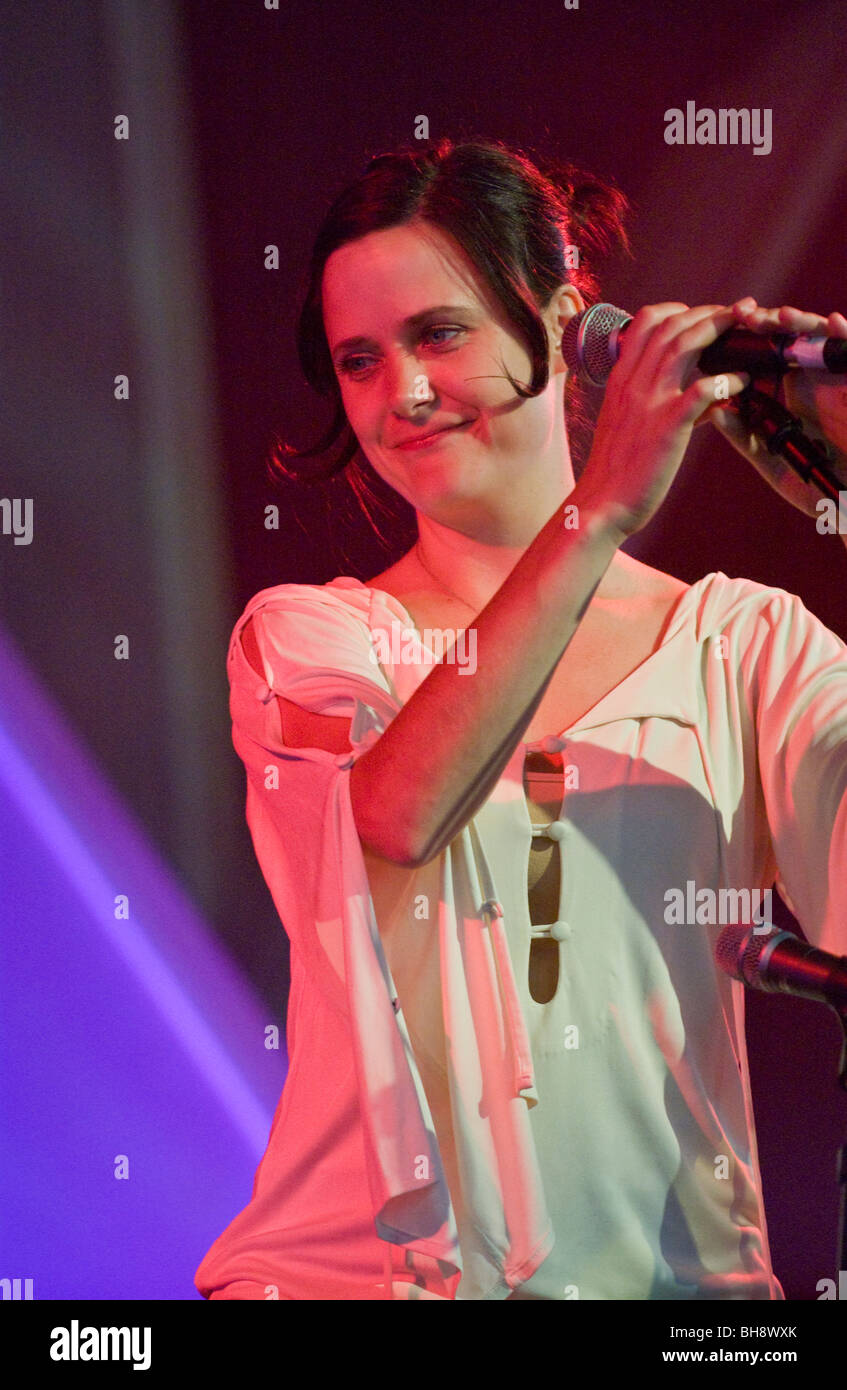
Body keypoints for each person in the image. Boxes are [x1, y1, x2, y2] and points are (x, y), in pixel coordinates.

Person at [195, 138, 847, 1301]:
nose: (399, 392)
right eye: (358, 359)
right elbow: (391, 813)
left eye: (438, 333)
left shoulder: (742, 644)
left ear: (561, 319)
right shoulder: (309, 637)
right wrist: (598, 511)